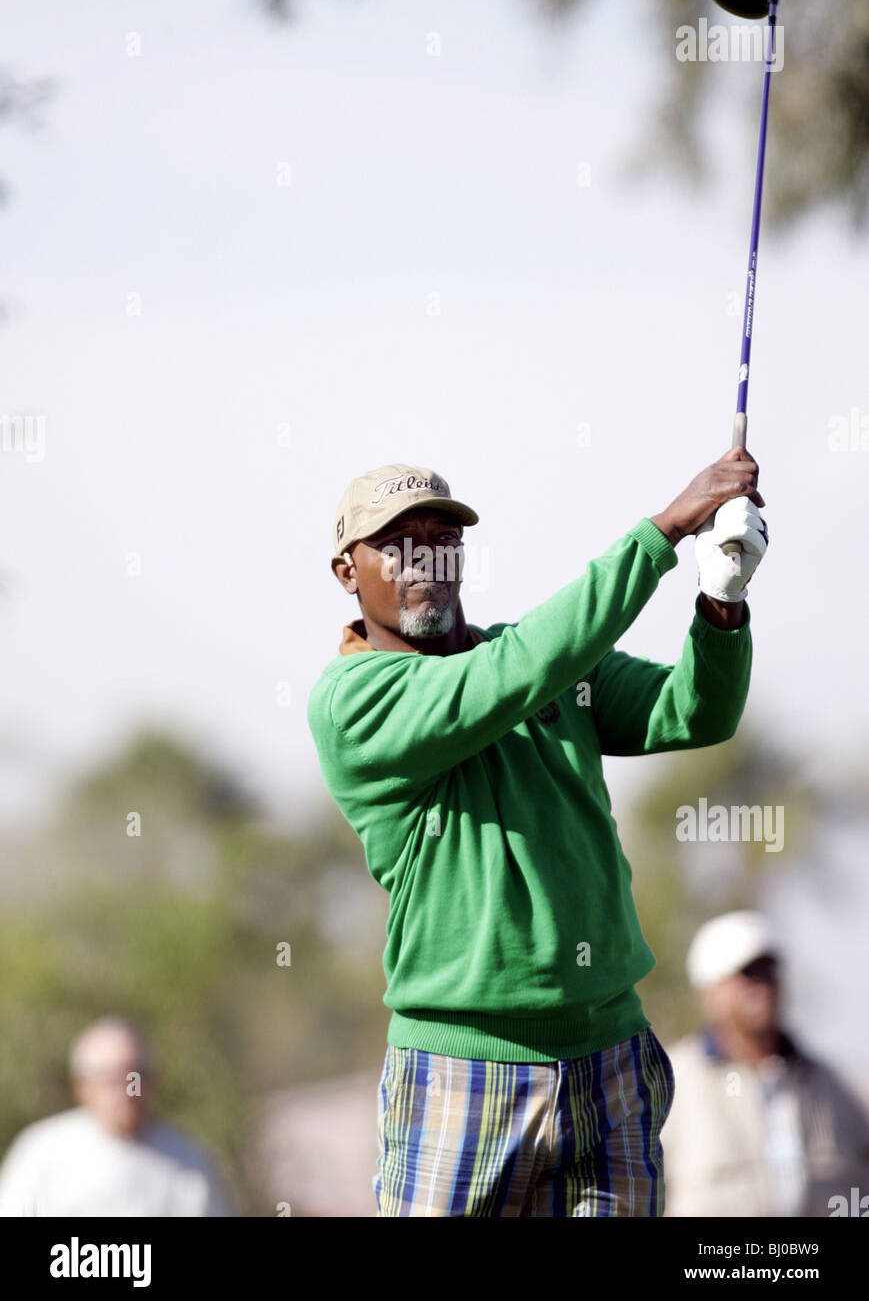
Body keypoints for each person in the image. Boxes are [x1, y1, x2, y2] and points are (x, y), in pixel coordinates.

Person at [307, 455, 768, 1217]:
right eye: (395, 544)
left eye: (440, 539)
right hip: (459, 1069)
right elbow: (512, 675)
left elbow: (694, 712)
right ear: (345, 572)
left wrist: (720, 600)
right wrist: (664, 530)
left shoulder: (532, 660)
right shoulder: (352, 699)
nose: (424, 558)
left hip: (609, 1054)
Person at [661, 910, 869, 1217]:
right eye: (747, 974)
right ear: (709, 992)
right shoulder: (669, 1085)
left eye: (769, 971)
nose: (763, 985)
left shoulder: (833, 1087)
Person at [0, 1016, 235, 1216]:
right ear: (81, 1087)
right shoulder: (40, 1152)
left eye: (135, 1075)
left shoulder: (190, 1159)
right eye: (111, 1079)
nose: (127, 1090)